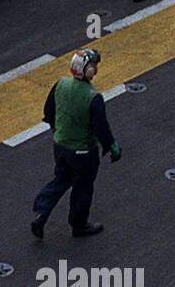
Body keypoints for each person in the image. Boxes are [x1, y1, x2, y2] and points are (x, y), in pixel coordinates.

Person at [30, 50, 121, 239]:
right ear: (87, 70)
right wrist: (112, 147)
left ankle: (41, 213)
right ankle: (79, 225)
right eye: (94, 66)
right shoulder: (93, 97)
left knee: (61, 179)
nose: (96, 69)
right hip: (83, 153)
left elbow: (48, 112)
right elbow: (101, 128)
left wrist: (58, 130)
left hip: (60, 147)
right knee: (83, 186)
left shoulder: (60, 84)